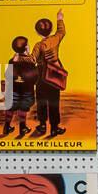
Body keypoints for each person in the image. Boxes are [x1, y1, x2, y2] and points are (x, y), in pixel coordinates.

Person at [31, 9, 66, 137]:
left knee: (41, 101)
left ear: (37, 32)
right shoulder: (55, 39)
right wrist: (59, 19)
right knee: (54, 101)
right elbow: (62, 31)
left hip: (41, 75)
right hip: (54, 73)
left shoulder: (38, 45)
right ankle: (54, 128)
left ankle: (42, 125)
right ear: (51, 30)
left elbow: (32, 60)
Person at [1, 36, 38, 139]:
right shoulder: (30, 61)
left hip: (13, 89)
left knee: (11, 107)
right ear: (26, 48)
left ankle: (6, 127)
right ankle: (22, 128)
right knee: (23, 108)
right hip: (26, 89)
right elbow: (34, 77)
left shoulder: (12, 60)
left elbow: (7, 75)